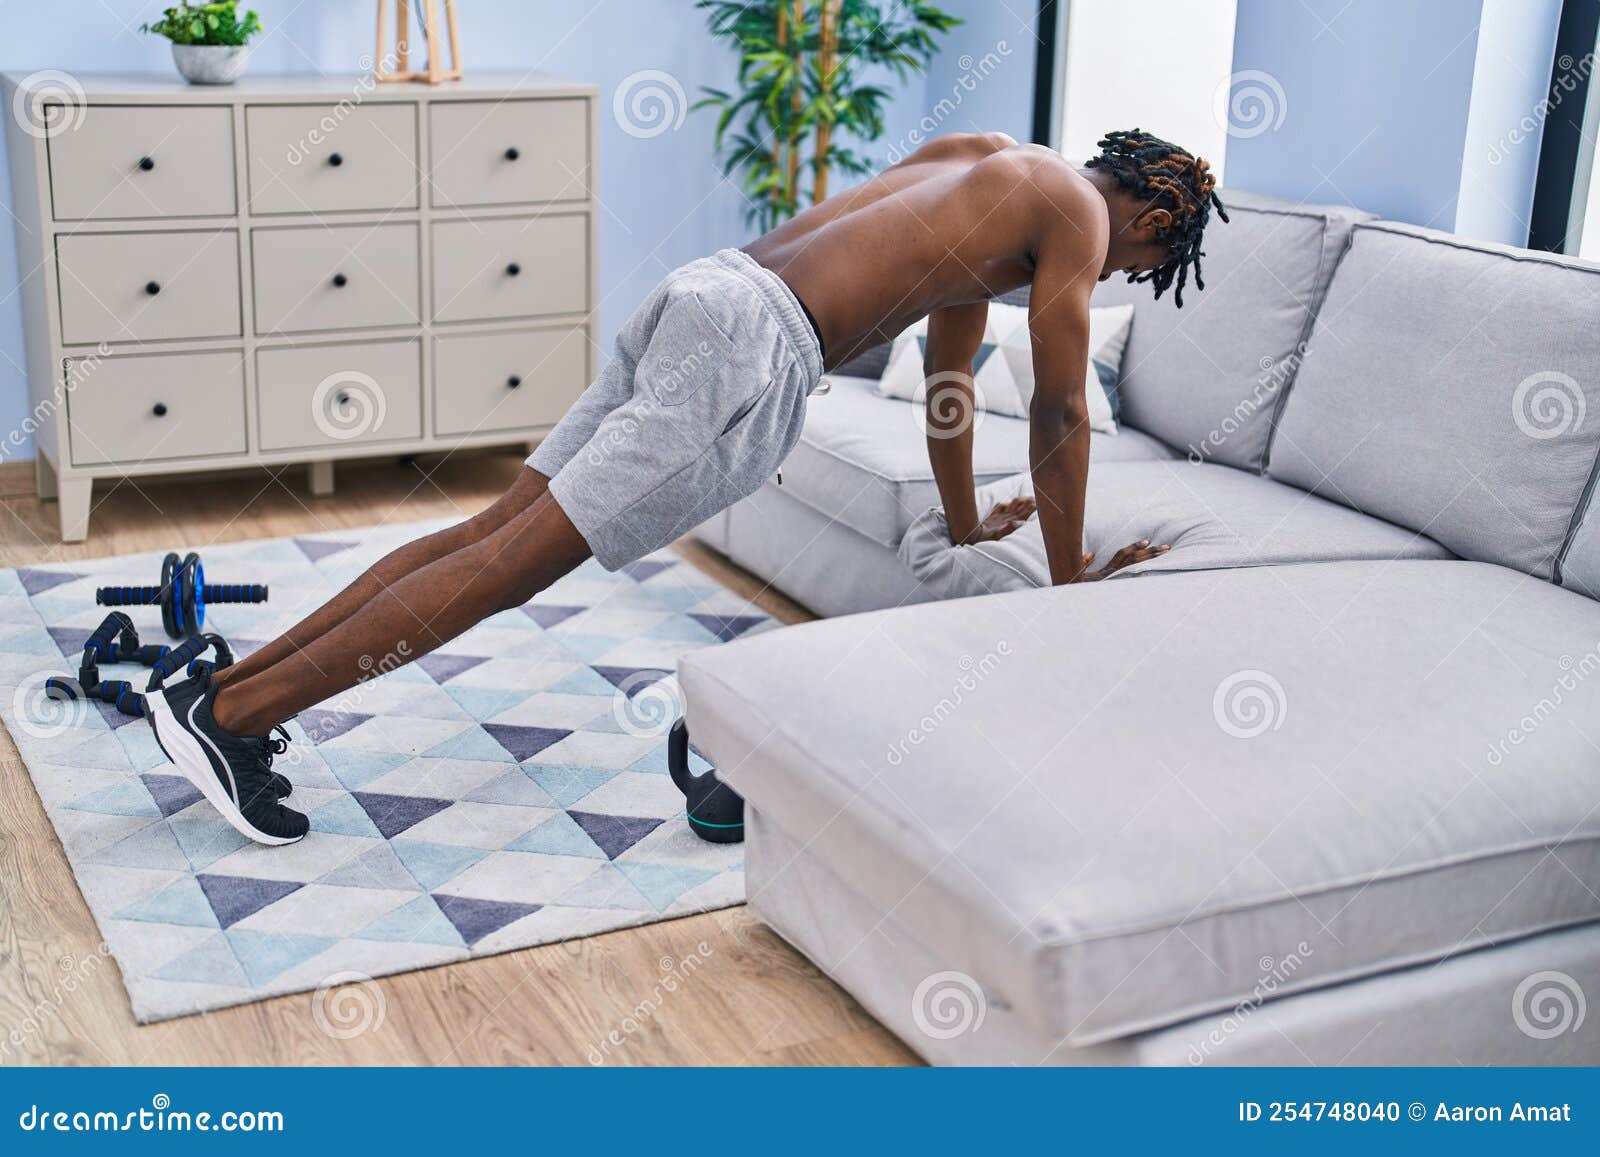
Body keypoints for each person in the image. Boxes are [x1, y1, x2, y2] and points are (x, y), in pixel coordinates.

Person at [144, 127, 1228, 845]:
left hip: (711, 288)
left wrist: (960, 521)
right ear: (1152, 218)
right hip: (753, 343)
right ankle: (235, 711)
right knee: (508, 569)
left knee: (492, 528)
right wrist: (1071, 571)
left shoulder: (994, 165)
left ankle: (223, 695)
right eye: (1148, 265)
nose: (1125, 274)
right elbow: (1058, 407)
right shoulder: (1082, 223)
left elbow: (949, 376)